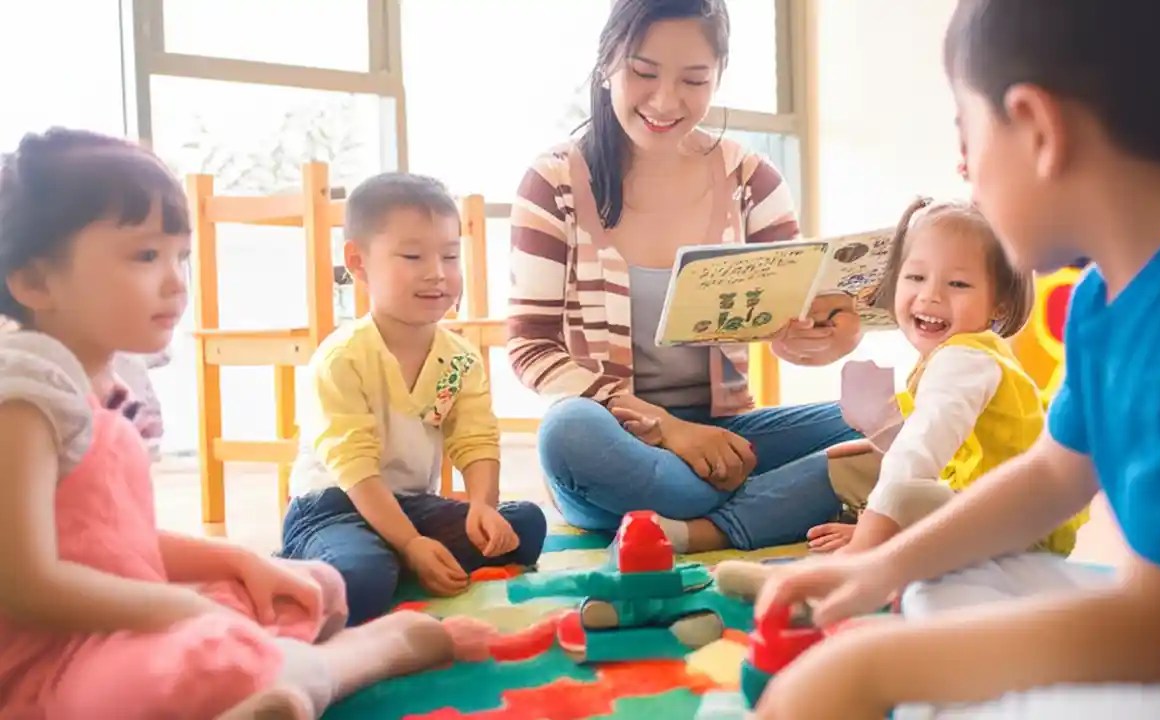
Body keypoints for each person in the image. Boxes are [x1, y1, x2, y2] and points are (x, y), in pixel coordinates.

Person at [753, 2, 1160, 719]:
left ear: (1038, 131)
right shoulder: (1106, 293)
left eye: (966, 137)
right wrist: (881, 565)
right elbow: (1054, 473)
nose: (964, 169)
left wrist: (875, 669)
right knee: (947, 580)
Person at [0, 128, 492, 720]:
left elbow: (112, 544)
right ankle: (351, 660)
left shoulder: (108, 384)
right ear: (33, 281)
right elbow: (24, 584)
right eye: (145, 256)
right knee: (209, 655)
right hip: (44, 662)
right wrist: (185, 613)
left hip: (118, 618)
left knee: (315, 588)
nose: (177, 281)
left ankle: (271, 667)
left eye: (180, 255)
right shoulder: (24, 392)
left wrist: (239, 563)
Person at [507, 0, 862, 549]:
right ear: (607, 65)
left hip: (727, 441)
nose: (665, 100)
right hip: (615, 441)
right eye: (643, 73)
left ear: (718, 76)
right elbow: (531, 348)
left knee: (886, 418)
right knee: (566, 432)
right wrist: (669, 431)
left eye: (693, 79)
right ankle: (766, 505)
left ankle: (695, 523)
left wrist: (825, 336)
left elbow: (788, 326)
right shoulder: (553, 181)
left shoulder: (751, 181)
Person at [672, 197, 1088, 556]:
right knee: (849, 461)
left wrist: (868, 539)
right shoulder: (951, 355)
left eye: (958, 283)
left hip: (1012, 528)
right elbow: (946, 450)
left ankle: (708, 532)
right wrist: (881, 429)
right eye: (916, 277)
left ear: (998, 304)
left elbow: (919, 456)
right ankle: (716, 528)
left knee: (889, 477)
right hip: (984, 507)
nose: (930, 296)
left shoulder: (965, 359)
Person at [281, 173, 547, 626]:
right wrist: (410, 543)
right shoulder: (342, 358)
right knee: (362, 579)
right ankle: (360, 563)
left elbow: (476, 437)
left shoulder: (459, 358)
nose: (437, 273)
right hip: (333, 505)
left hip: (409, 503)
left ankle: (397, 561)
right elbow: (357, 469)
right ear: (358, 262)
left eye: (449, 256)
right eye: (412, 256)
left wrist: (482, 505)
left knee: (522, 525)